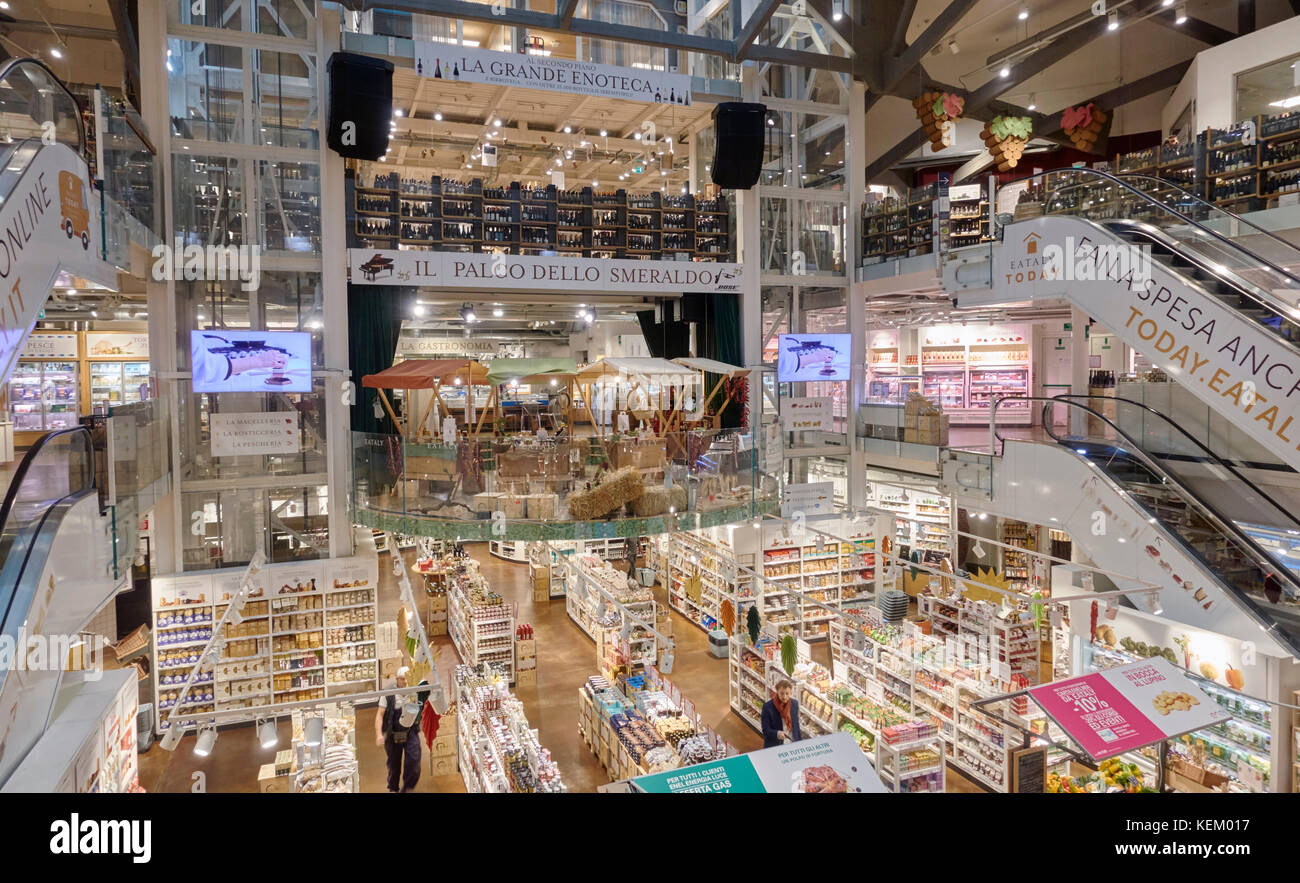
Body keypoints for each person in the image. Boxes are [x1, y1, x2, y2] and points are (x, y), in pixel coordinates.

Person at [374, 666, 430, 793]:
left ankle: (407, 788)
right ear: (397, 679)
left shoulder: (414, 690)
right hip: (393, 734)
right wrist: (379, 734)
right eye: (403, 679)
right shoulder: (388, 693)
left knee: (414, 760)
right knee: (394, 765)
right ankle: (393, 788)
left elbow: (427, 689)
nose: (405, 682)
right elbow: (380, 715)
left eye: (408, 679)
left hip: (411, 731)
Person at [761, 678, 801, 749]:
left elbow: (796, 725)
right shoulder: (767, 707)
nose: (784, 697)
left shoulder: (794, 704)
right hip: (775, 745)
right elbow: (765, 730)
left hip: (792, 743)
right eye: (782, 693)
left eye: (787, 693)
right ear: (777, 692)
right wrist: (777, 733)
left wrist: (800, 743)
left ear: (791, 693)